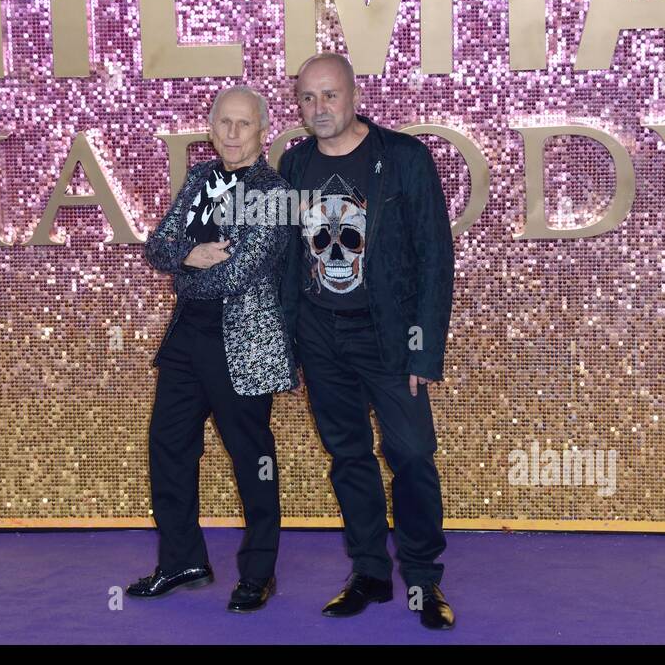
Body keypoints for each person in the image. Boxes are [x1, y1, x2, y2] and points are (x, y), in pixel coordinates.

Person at [277, 52, 457, 630]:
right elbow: (286, 259)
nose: (319, 108)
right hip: (319, 335)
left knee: (410, 454)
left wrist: (424, 349)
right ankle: (370, 573)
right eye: (307, 98)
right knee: (348, 456)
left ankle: (425, 581)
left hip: (390, 335)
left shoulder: (403, 158)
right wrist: (289, 342)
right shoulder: (295, 162)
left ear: (354, 96)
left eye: (329, 95)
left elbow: (434, 257)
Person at [128, 86, 298, 612]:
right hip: (186, 341)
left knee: (253, 458)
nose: (231, 133)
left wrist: (184, 272)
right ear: (210, 126)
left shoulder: (274, 192)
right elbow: (157, 245)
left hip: (243, 345)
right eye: (223, 122)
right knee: (169, 446)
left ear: (262, 130)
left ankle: (258, 573)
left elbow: (242, 272)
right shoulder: (202, 177)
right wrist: (189, 256)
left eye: (242, 124)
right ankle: (182, 560)